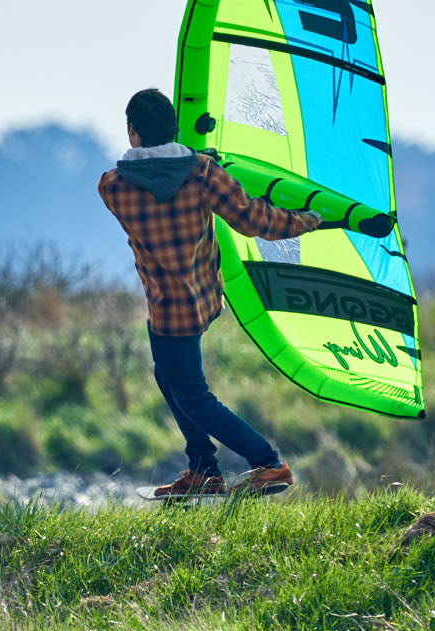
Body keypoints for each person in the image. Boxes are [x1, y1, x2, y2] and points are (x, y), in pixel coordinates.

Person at [98, 88, 322, 497]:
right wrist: (306, 220)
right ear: (176, 128)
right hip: (202, 302)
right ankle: (203, 468)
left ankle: (268, 464)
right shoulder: (202, 173)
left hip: (165, 313)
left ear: (132, 134)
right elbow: (256, 221)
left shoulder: (112, 188)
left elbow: (144, 179)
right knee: (169, 379)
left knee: (193, 396)